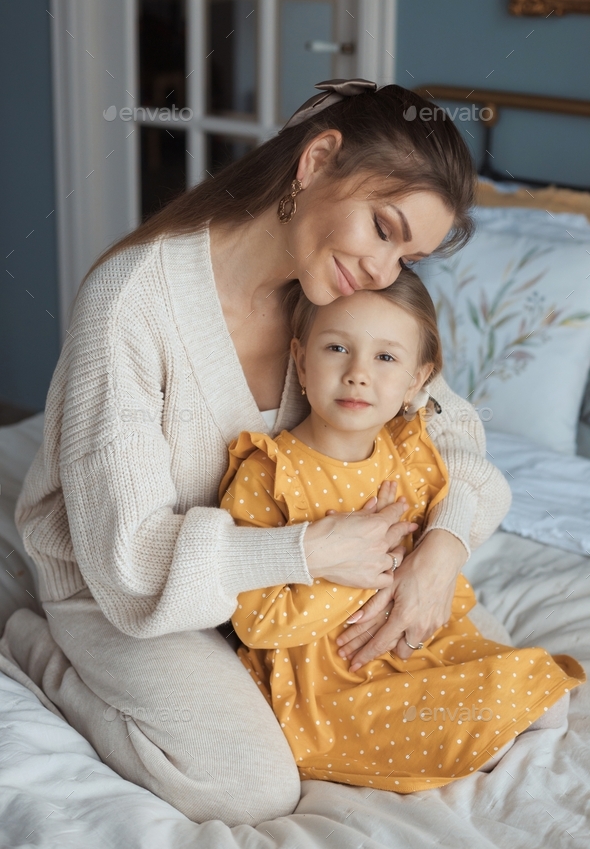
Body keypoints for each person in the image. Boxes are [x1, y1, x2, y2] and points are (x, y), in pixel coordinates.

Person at [1, 80, 514, 826]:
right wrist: (305, 551)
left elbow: (454, 429)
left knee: (485, 680)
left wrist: (443, 543)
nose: (382, 271)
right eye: (382, 226)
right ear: (317, 160)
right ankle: (38, 645)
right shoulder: (132, 302)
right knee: (250, 786)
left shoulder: (331, 303)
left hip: (274, 591)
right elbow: (128, 558)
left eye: (409, 255)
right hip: (123, 590)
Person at [219, 272, 586, 791]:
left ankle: (466, 720)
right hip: (326, 678)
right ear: (300, 360)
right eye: (337, 347)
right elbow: (256, 622)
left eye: (386, 358)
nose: (357, 374)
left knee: (542, 689)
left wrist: (411, 589)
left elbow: (439, 574)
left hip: (408, 648)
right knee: (481, 719)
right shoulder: (271, 471)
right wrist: (357, 574)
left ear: (418, 381)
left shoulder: (409, 452)